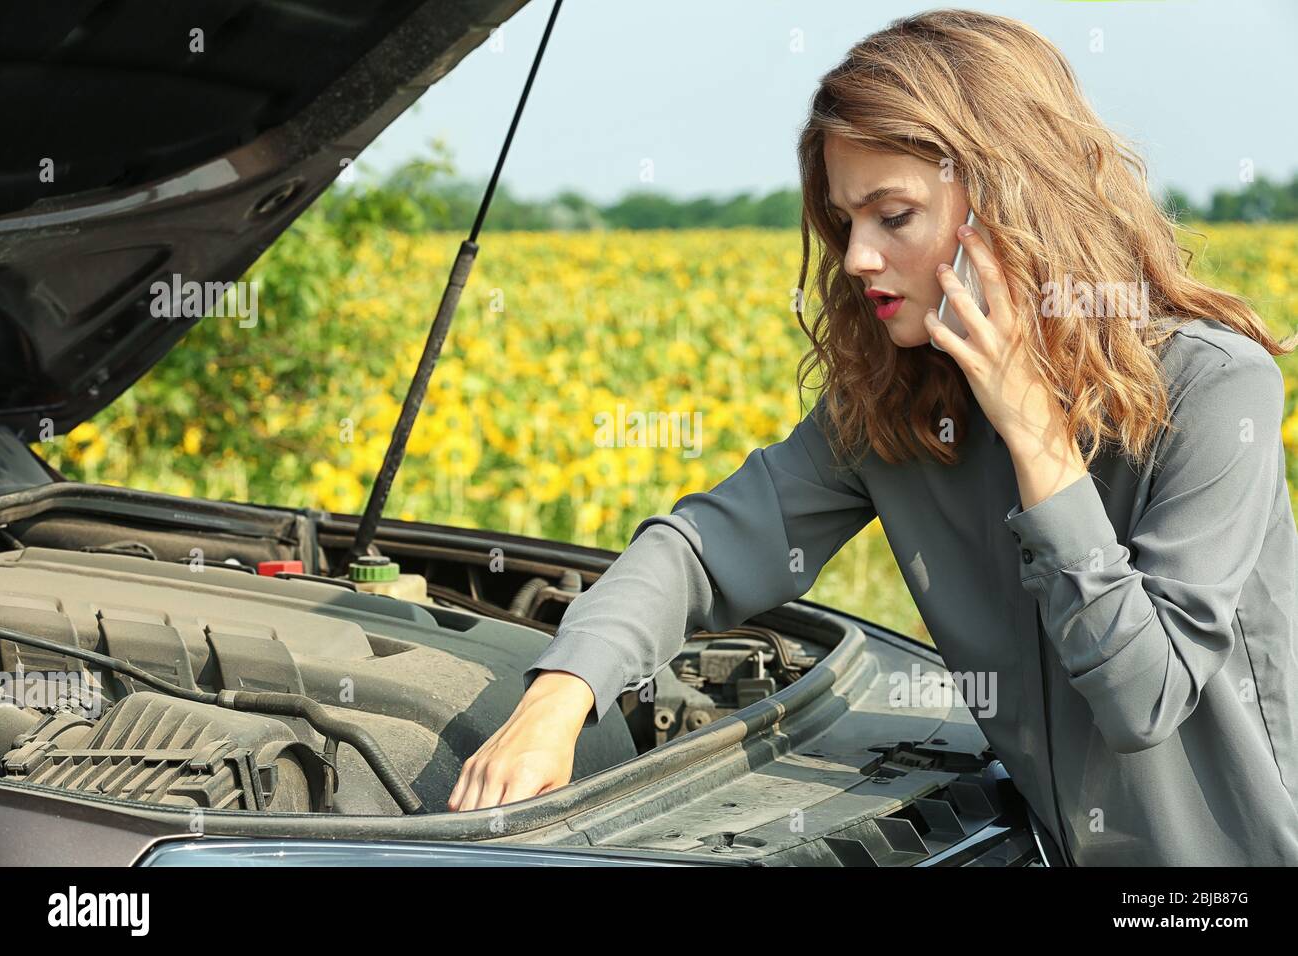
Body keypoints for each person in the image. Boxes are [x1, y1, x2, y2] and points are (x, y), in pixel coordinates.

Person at [447, 9, 1298, 866]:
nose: (855, 257)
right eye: (846, 220)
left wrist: (1034, 435)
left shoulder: (1214, 389)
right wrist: (559, 698)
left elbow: (1142, 701)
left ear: (1016, 205)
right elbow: (701, 550)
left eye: (893, 216)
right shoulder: (894, 405)